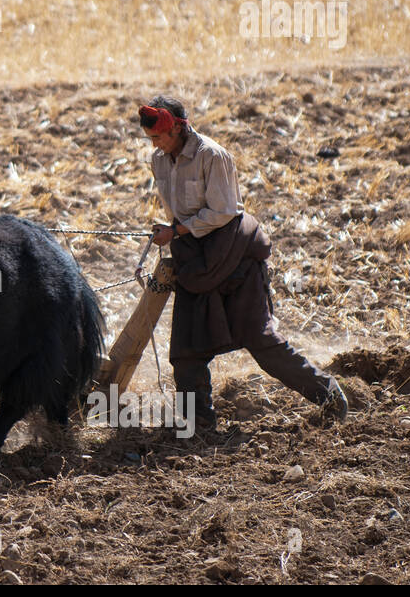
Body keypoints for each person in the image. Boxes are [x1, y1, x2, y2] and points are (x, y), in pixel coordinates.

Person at [138, 95, 348, 431]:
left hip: (232, 254)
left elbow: (223, 212)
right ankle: (200, 425)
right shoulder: (159, 161)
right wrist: (173, 232)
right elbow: (177, 212)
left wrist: (176, 230)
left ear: (178, 127)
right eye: (151, 139)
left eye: (160, 136)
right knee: (185, 352)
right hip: (194, 262)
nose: (156, 144)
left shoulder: (212, 155)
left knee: (261, 341)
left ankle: (329, 393)